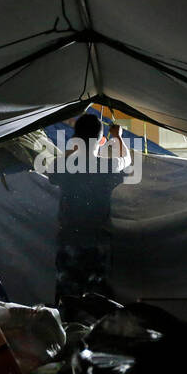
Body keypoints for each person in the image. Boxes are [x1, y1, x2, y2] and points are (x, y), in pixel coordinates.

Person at [50, 114, 126, 303]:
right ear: (101, 140)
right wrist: (117, 137)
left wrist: (73, 148)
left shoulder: (64, 165)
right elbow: (126, 159)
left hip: (69, 240)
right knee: (98, 299)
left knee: (67, 297)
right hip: (98, 242)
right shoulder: (109, 165)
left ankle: (68, 329)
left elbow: (52, 169)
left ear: (75, 139)